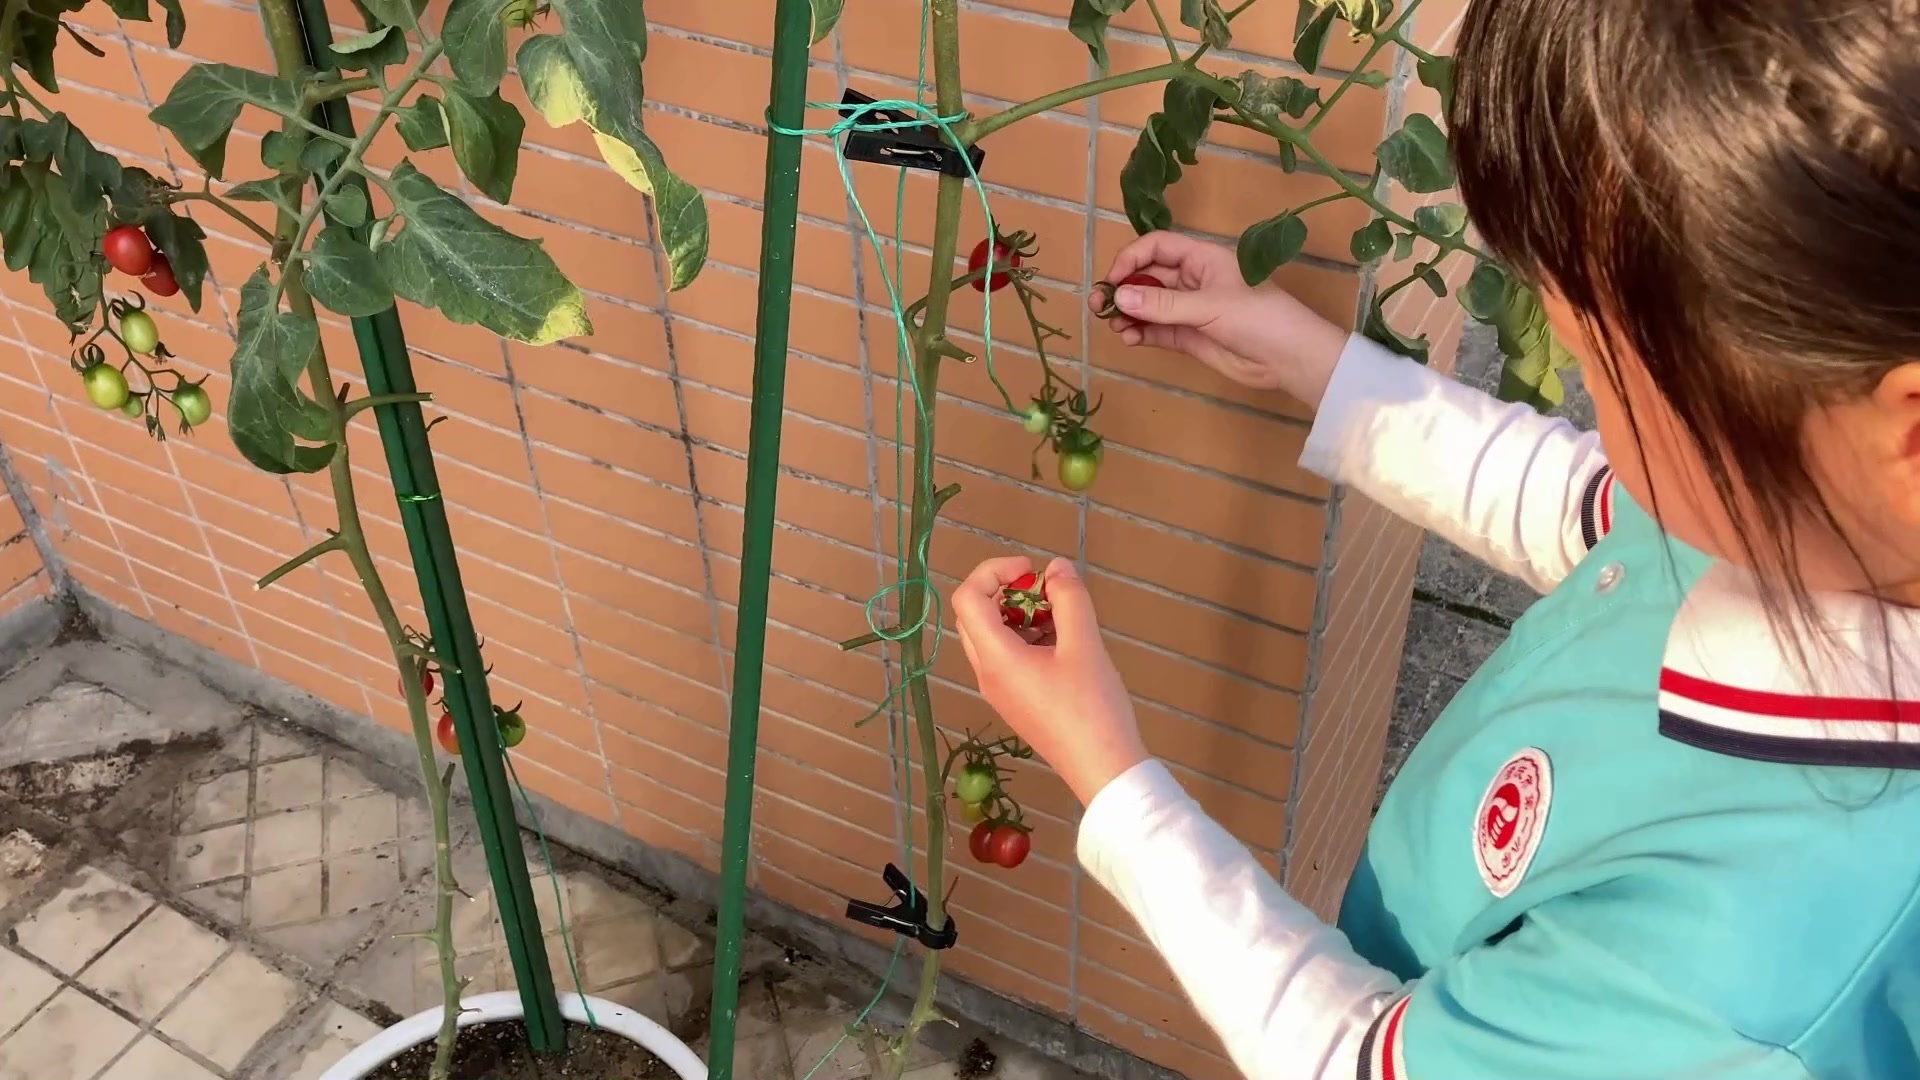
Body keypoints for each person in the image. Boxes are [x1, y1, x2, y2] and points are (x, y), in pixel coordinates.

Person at [948, 2, 1920, 1077]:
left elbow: (1359, 1059)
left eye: (1607, 360)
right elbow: (1580, 505)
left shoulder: (1746, 974)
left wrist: (1111, 773)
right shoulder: (1822, 523)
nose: (1572, 372)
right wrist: (1314, 365)